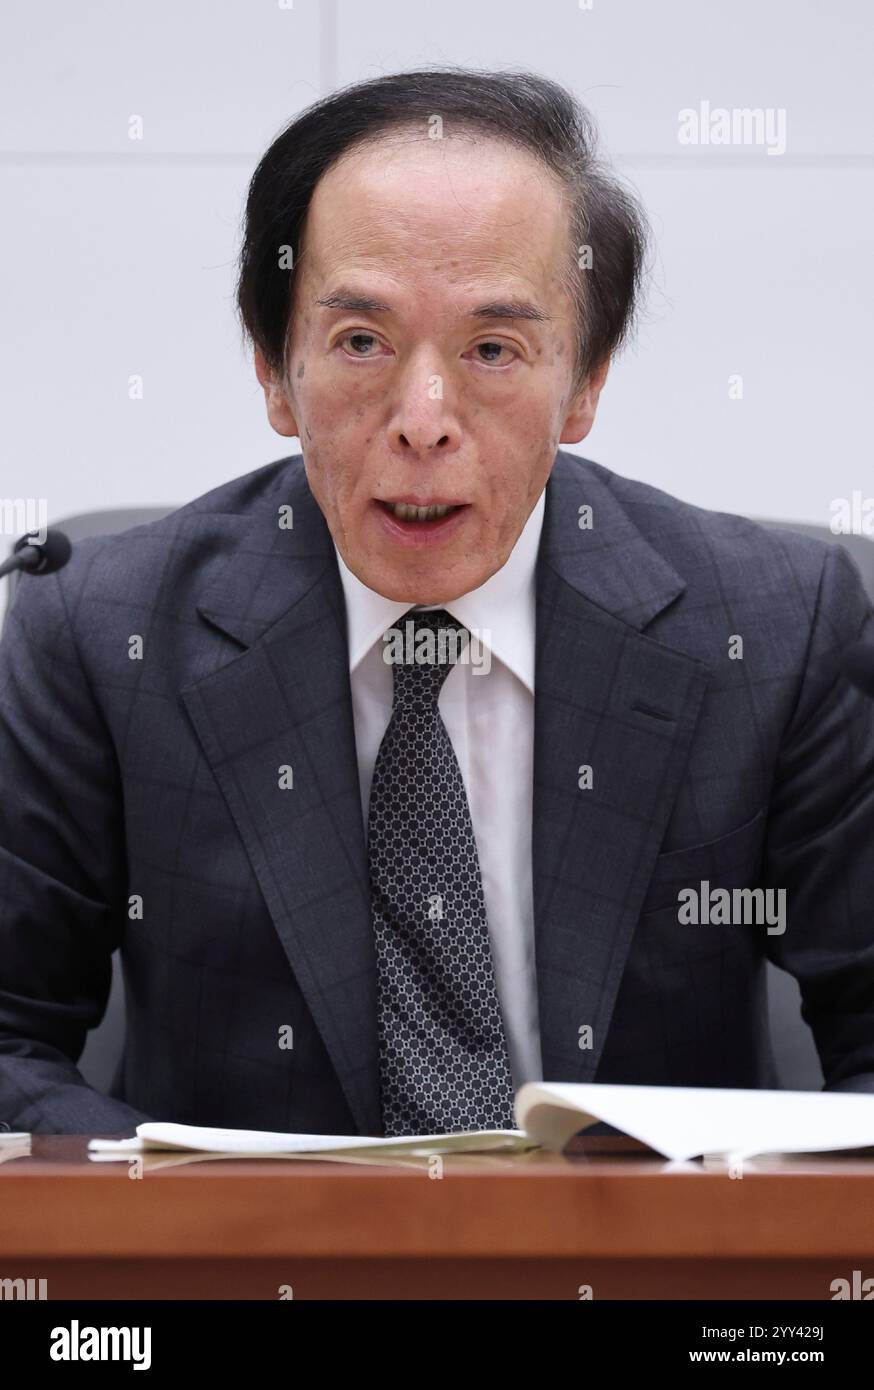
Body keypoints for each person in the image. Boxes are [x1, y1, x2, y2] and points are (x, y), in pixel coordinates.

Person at [2, 69, 873, 1138]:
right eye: (361, 341)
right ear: (277, 368)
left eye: (493, 349)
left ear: (586, 380)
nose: (423, 420)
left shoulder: (776, 627)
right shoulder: (96, 633)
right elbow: (8, 1038)